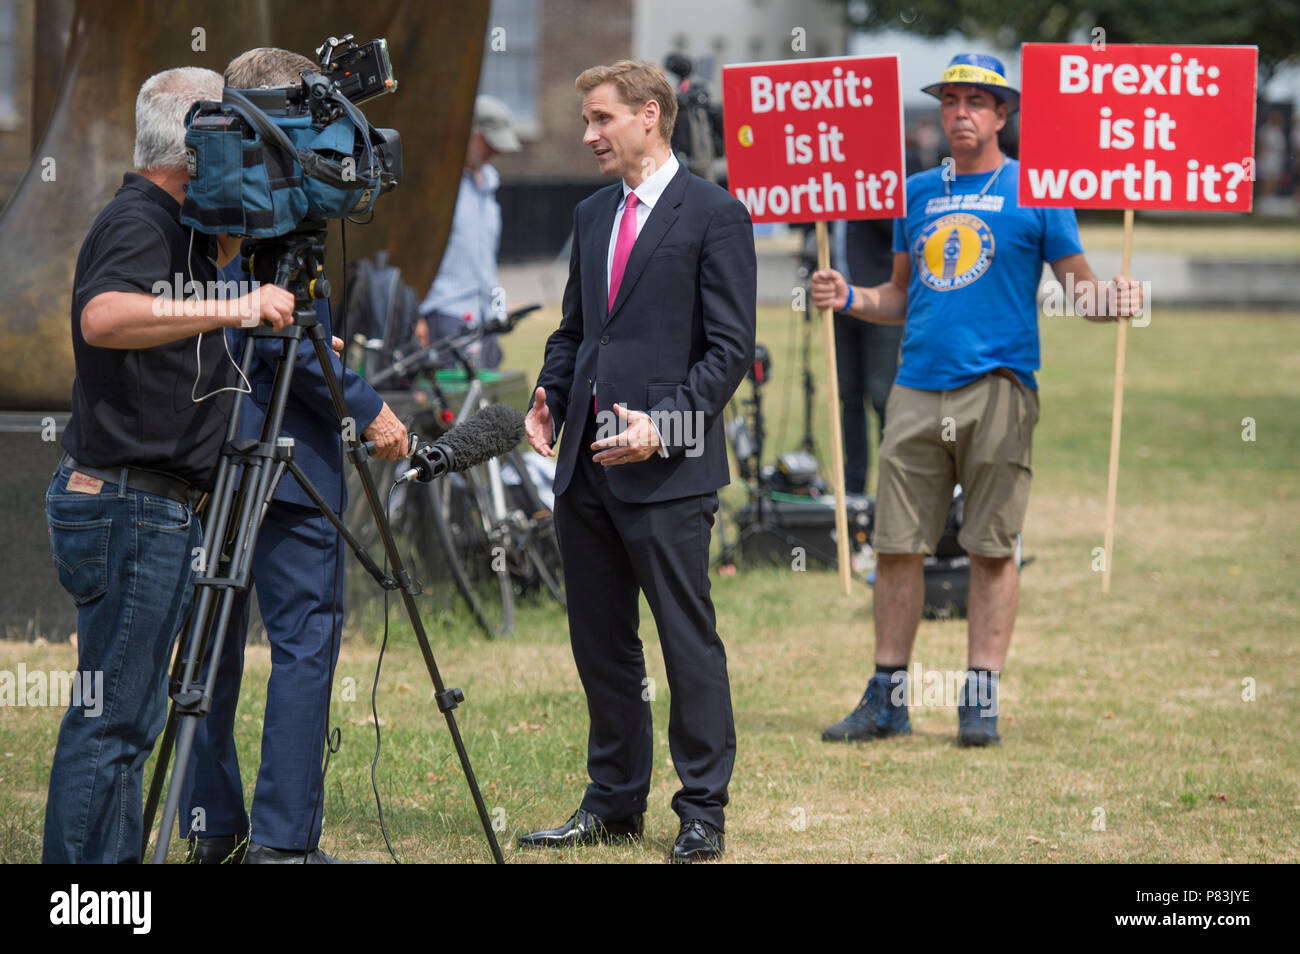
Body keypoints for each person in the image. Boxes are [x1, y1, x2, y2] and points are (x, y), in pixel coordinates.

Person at [811, 54, 1142, 747]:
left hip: (1000, 387)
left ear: (1003, 114)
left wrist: (1117, 299)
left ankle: (979, 698)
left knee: (991, 548)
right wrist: (850, 297)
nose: (960, 112)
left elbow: (1080, 289)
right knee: (898, 545)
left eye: (976, 101)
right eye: (950, 100)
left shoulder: (1039, 189)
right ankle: (888, 699)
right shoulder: (916, 193)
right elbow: (901, 296)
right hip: (916, 387)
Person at [42, 67, 298, 863]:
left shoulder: (182, 227)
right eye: (232, 131)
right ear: (194, 147)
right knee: (113, 721)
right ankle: (84, 900)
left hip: (149, 505)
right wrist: (235, 305)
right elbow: (104, 315)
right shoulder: (137, 219)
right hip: (129, 504)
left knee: (130, 719)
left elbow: (214, 262)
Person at [518, 60, 755, 862]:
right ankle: (614, 802)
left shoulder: (715, 214)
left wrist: (667, 426)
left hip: (669, 469)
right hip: (585, 468)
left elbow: (729, 352)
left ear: (650, 115)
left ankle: (702, 813)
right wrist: (549, 391)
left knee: (687, 642)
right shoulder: (591, 214)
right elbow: (577, 329)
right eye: (587, 120)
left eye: (600, 119)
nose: (588, 136)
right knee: (601, 643)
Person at [178, 47, 408, 865]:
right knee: (306, 646)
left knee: (209, 644)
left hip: (204, 453)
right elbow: (284, 349)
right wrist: (371, 407)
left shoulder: (197, 194)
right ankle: (282, 846)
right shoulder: (279, 201)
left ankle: (210, 829)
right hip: (289, 460)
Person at [415, 94, 522, 369]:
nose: (494, 152)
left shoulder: (489, 187)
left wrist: (498, 306)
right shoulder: (438, 188)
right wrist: (417, 316)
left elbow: (485, 261)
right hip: (445, 315)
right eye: (489, 142)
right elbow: (418, 254)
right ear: (468, 134)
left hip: (484, 321)